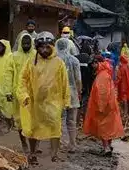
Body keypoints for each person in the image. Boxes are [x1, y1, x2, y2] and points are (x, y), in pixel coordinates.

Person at [17, 32, 70, 162]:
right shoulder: (31, 62)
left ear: (52, 46)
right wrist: (24, 95)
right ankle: (33, 154)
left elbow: (65, 83)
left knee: (55, 128)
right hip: (35, 102)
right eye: (41, 47)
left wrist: (66, 101)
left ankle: (54, 155)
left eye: (47, 47)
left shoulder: (59, 63)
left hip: (54, 102)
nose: (44, 50)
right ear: (37, 47)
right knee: (33, 129)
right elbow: (22, 81)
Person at [83, 54, 124, 155]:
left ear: (99, 63)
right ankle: (109, 146)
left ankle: (106, 148)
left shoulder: (102, 75)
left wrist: (101, 107)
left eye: (94, 63)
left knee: (103, 127)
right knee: (109, 127)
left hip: (104, 106)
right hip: (110, 105)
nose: (93, 66)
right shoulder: (106, 72)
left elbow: (102, 93)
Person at [55, 37, 82, 149]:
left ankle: (59, 143)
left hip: (58, 93)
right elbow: (78, 79)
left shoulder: (55, 60)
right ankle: (72, 144)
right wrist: (79, 92)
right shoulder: (74, 60)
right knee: (71, 120)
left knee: (59, 120)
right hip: (72, 92)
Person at [10, 32, 36, 144]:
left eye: (28, 43)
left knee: (33, 119)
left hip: (33, 92)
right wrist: (9, 91)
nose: (26, 45)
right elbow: (9, 74)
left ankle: (33, 147)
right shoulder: (14, 56)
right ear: (20, 43)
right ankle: (23, 143)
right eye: (24, 43)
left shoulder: (36, 56)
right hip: (18, 92)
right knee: (19, 120)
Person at [116, 47, 129, 117]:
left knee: (124, 98)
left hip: (123, 85)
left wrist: (116, 84)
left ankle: (124, 113)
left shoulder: (121, 68)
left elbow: (119, 77)